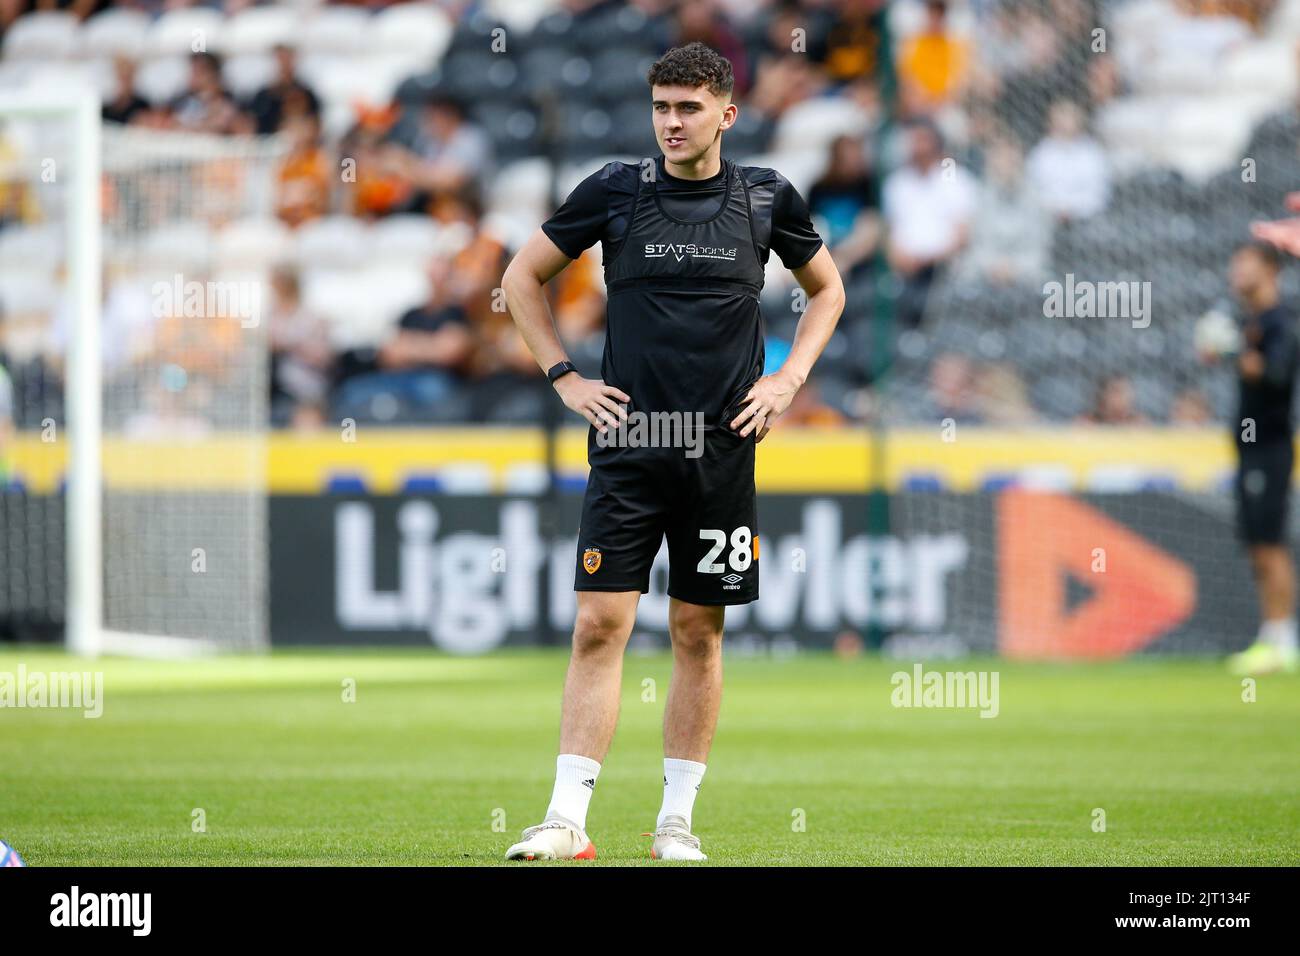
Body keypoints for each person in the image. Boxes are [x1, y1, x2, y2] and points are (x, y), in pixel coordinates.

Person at [499, 42, 843, 862]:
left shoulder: (766, 198)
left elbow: (827, 288)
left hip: (721, 450)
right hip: (630, 443)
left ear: (727, 113)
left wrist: (788, 379)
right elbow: (520, 279)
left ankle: (675, 823)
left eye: (688, 107)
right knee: (598, 624)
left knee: (698, 632)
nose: (671, 123)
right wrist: (565, 378)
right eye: (661, 107)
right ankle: (566, 821)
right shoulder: (617, 191)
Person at [1217, 242, 1300, 675]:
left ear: (1270, 270)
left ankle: (1284, 639)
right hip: (1250, 450)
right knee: (1257, 547)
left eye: (1244, 263)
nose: (1237, 272)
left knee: (1270, 546)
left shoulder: (1281, 322)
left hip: (1271, 447)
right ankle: (1272, 635)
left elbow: (1277, 375)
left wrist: (1233, 352)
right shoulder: (1250, 322)